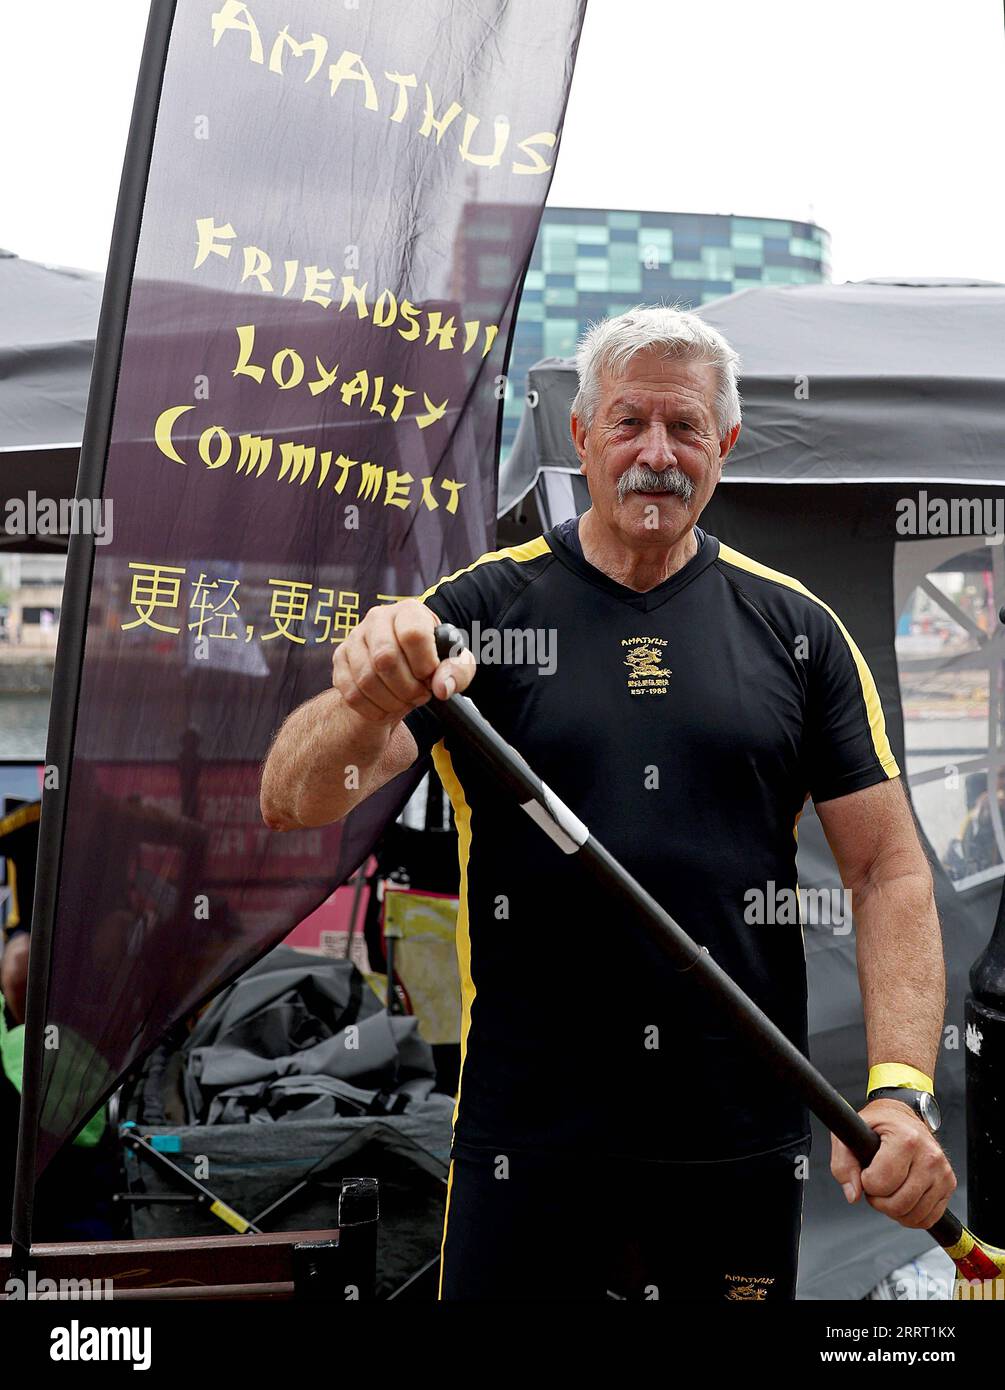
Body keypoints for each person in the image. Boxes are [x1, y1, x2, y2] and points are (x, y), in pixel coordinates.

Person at [259, 305, 955, 1301]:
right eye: (629, 423)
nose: (657, 454)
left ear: (727, 443)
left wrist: (899, 1089)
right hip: (528, 1142)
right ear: (580, 435)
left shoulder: (798, 629)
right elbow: (294, 799)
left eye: (686, 426)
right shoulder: (480, 613)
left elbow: (886, 870)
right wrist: (363, 697)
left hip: (737, 1141)